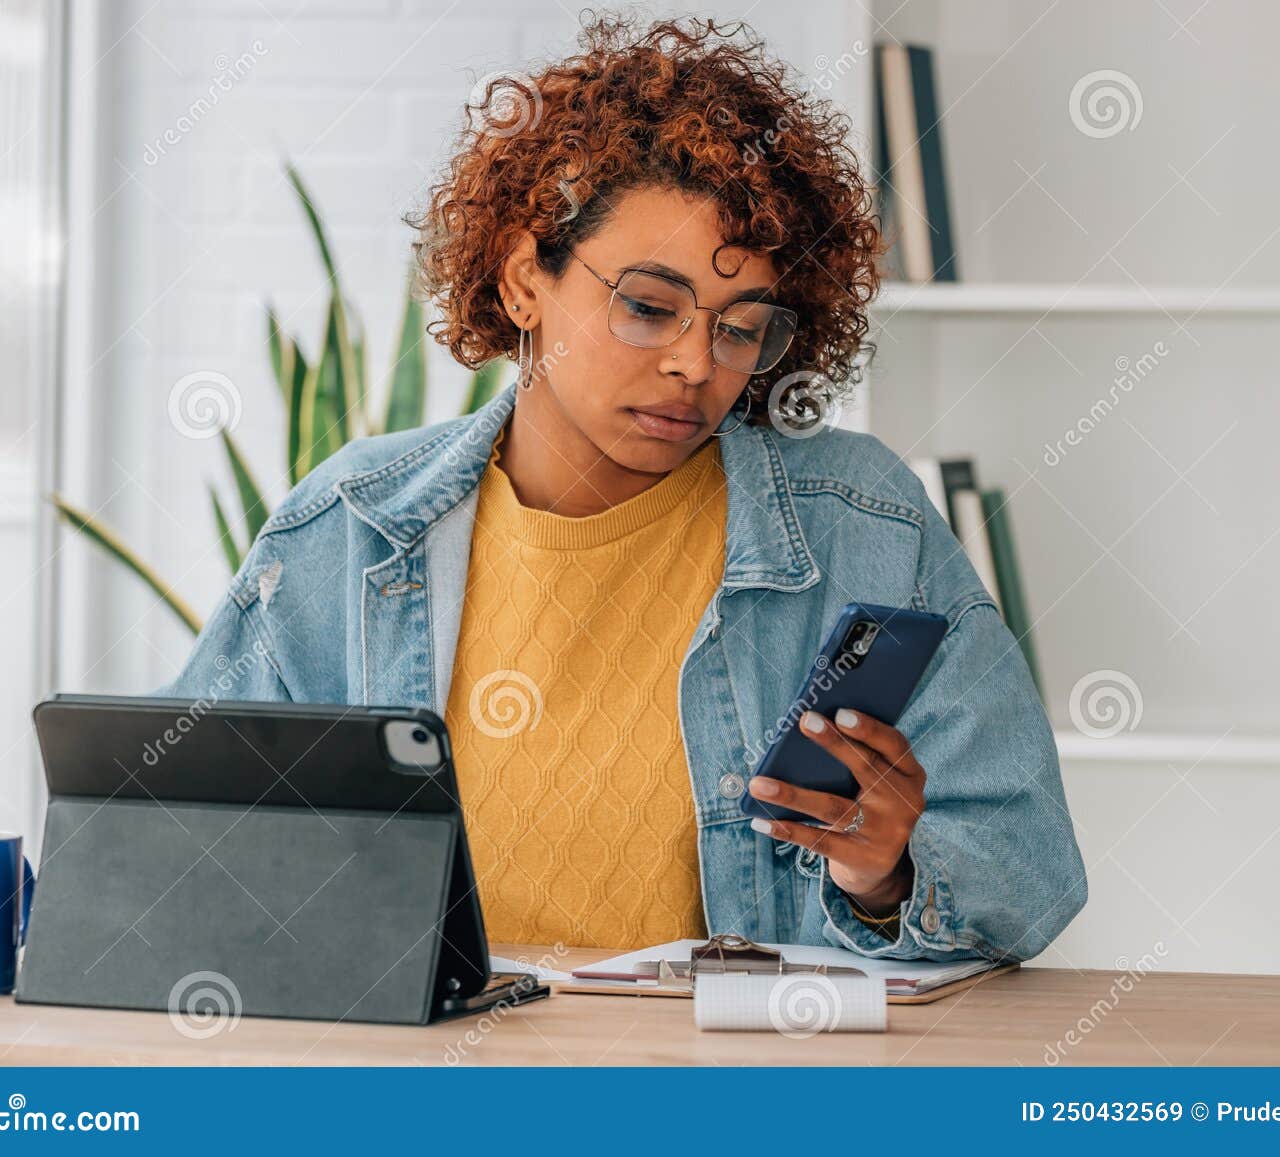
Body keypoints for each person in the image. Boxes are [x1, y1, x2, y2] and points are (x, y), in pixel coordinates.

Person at [157, 12, 1086, 961]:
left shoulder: (864, 526)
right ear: (526, 282)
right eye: (648, 307)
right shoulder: (350, 526)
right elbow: (173, 838)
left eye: (740, 328)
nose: (697, 363)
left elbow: (1031, 868)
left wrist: (884, 875)